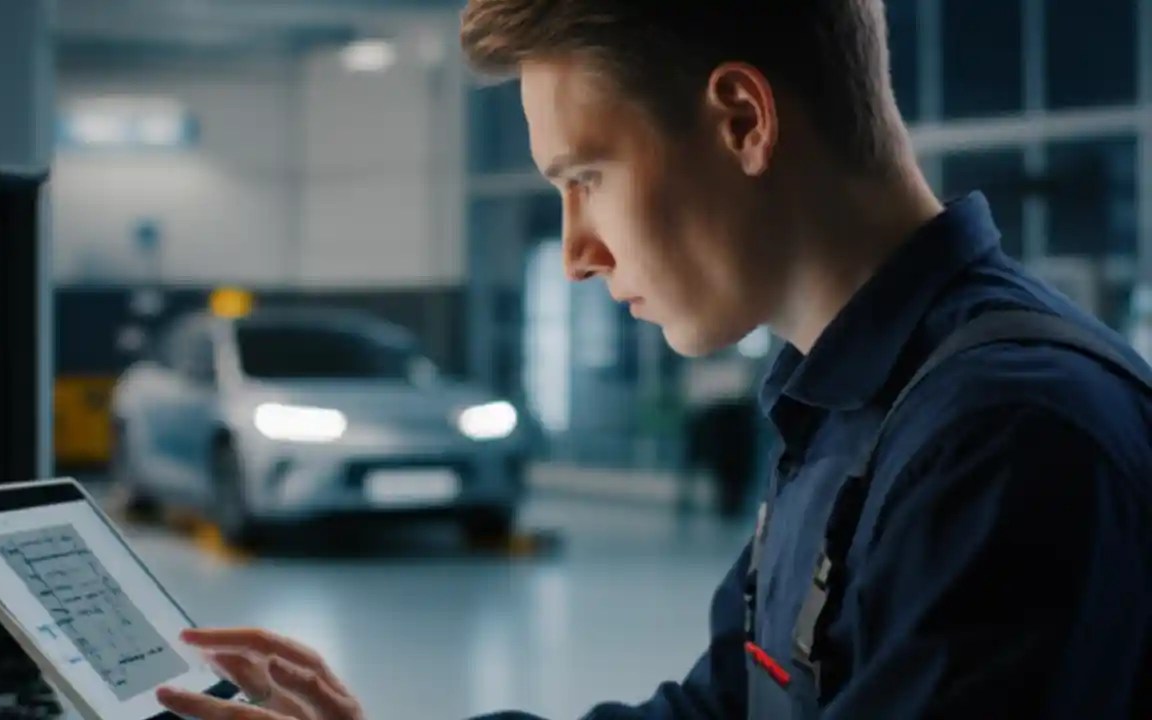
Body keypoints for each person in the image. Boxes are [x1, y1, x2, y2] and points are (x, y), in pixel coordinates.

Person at [155, 1, 1152, 718]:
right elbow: (721, 708)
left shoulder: (1008, 439)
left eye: (586, 175)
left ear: (740, 122)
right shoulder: (854, 404)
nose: (579, 253)